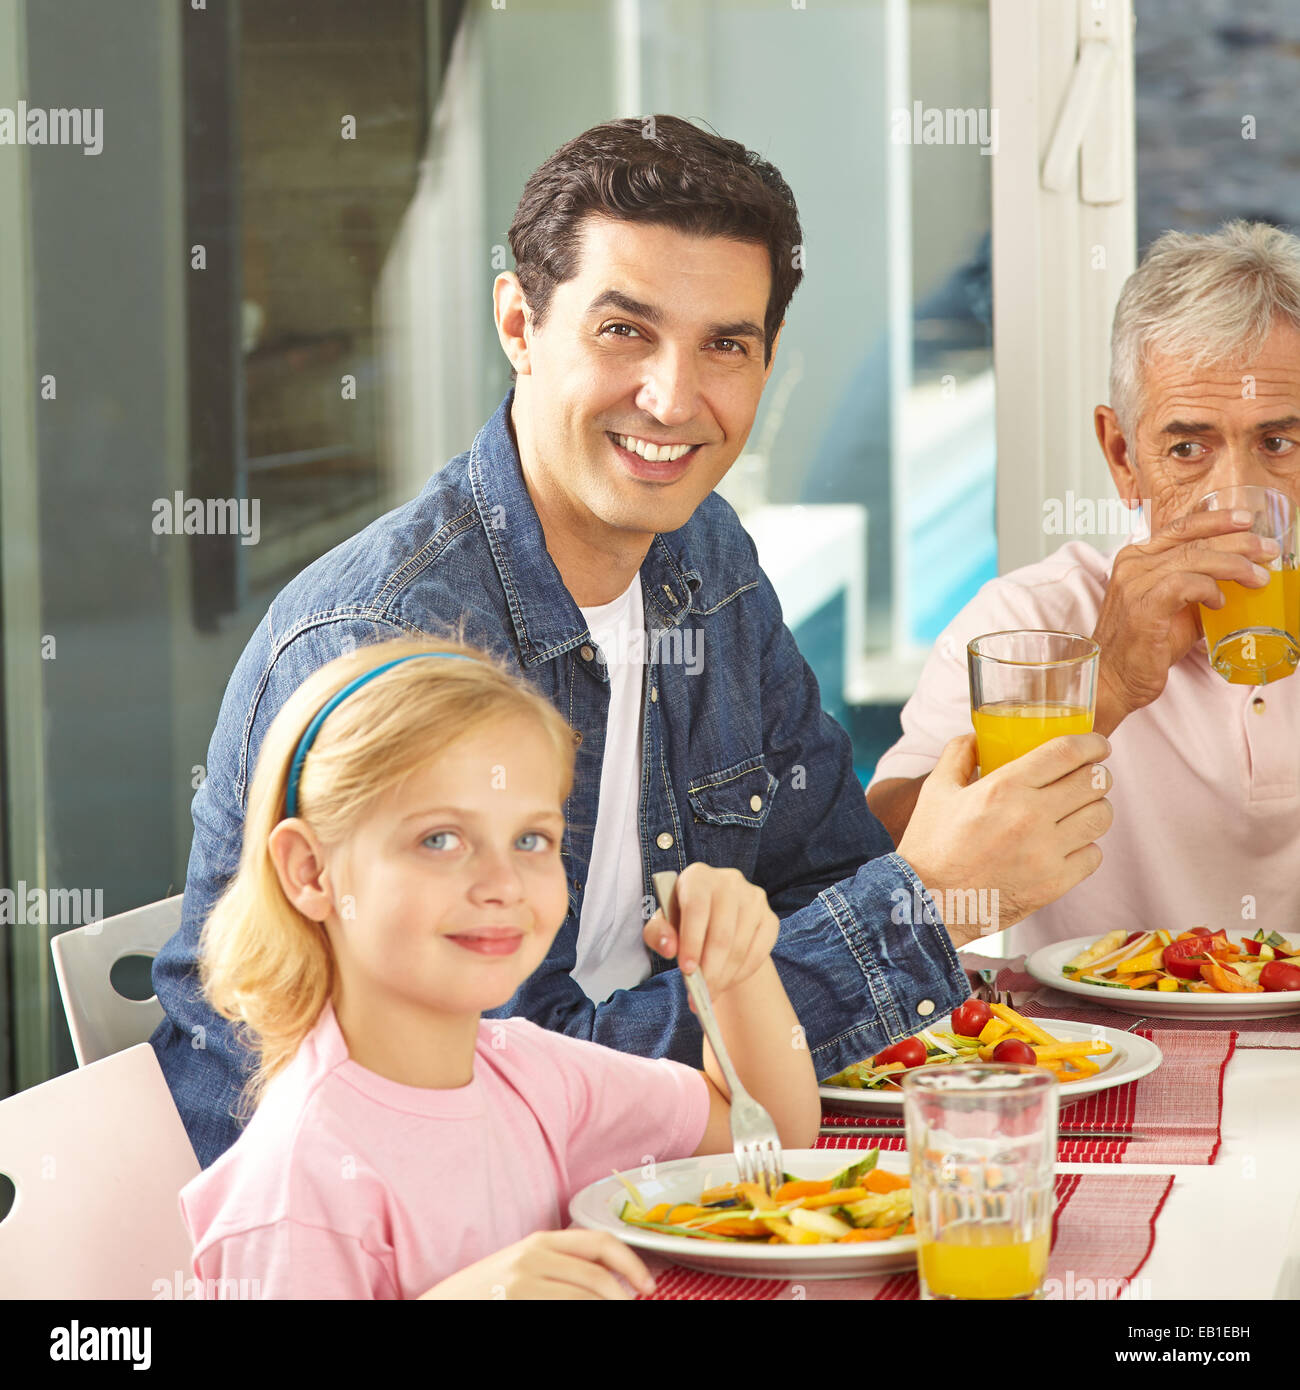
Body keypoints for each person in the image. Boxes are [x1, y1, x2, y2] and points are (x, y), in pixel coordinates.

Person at [154, 115, 1112, 1169]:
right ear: (519, 324)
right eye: (624, 331)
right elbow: (495, 1091)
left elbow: (818, 871)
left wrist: (901, 896)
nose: (671, 396)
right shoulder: (396, 645)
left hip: (669, 1166)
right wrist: (921, 904)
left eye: (724, 345)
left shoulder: (701, 551)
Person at [179, 637, 820, 1299]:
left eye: (530, 840)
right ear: (310, 872)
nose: (503, 883)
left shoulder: (530, 1075)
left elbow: (764, 1140)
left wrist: (733, 965)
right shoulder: (297, 1184)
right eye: (439, 840)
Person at [867, 220, 1300, 951]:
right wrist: (1101, 691)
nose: (1238, 498)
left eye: (1279, 442)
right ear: (1123, 456)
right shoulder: (1025, 619)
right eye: (1188, 448)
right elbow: (874, 872)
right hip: (1091, 1055)